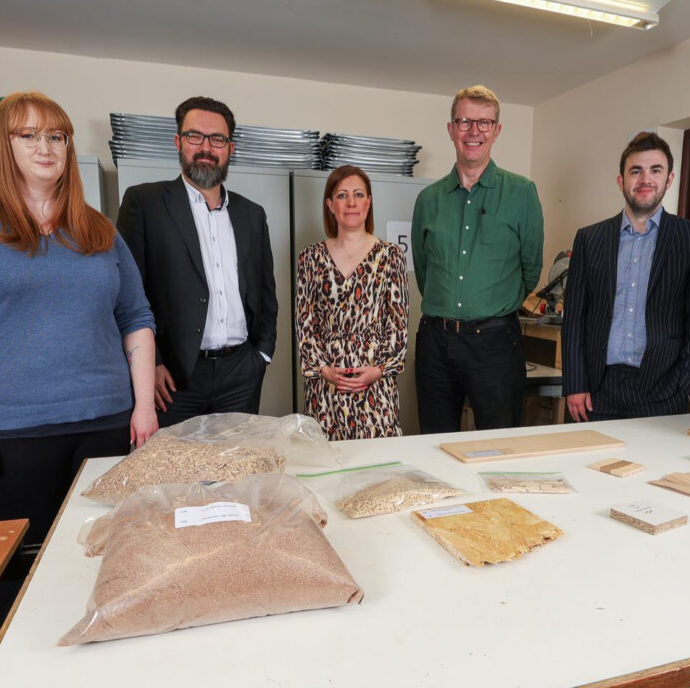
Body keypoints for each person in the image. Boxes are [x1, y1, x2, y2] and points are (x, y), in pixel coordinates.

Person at [0, 91, 157, 618]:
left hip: (106, 423)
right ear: (4, 145)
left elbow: (135, 317)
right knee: (22, 567)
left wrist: (143, 406)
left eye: (56, 136)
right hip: (12, 434)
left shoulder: (99, 229)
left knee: (104, 549)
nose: (45, 147)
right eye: (28, 135)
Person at [117, 96, 277, 427]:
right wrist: (151, 363)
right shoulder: (144, 203)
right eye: (195, 136)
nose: (206, 147)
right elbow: (129, 294)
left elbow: (265, 293)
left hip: (241, 372)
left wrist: (261, 355)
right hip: (173, 379)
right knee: (175, 461)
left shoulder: (252, 214)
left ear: (230, 148)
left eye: (217, 139)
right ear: (178, 142)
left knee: (237, 459)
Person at [410, 85, 544, 433]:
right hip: (435, 343)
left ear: (496, 131)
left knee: (499, 445)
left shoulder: (522, 193)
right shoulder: (428, 200)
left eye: (484, 123)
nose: (474, 131)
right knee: (434, 442)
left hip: (496, 343)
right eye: (465, 121)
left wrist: (489, 305)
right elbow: (424, 272)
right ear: (451, 129)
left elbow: (530, 269)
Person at [562, 131, 690, 421]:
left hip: (663, 392)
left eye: (655, 170)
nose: (645, 179)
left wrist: (685, 389)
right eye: (636, 171)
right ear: (621, 181)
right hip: (594, 392)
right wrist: (575, 384)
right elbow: (574, 320)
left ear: (669, 179)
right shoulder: (589, 239)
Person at [296, 165, 408, 440]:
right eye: (342, 195)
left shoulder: (391, 256)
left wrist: (378, 370)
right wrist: (324, 370)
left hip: (376, 388)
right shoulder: (310, 258)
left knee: (378, 462)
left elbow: (399, 326)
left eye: (358, 194)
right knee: (327, 461)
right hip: (326, 389)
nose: (351, 203)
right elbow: (304, 326)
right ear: (330, 205)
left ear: (368, 202)